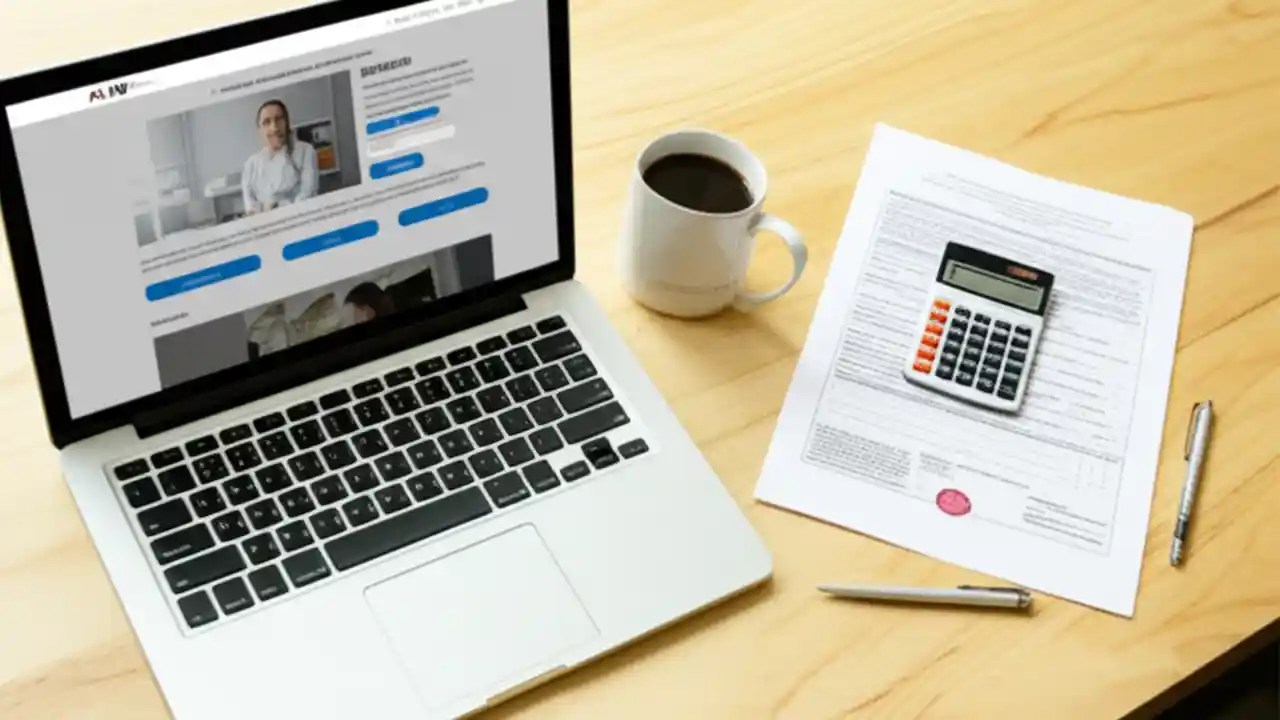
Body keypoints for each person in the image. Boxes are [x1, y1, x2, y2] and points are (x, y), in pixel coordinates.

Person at [242, 99, 319, 215]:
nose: (274, 128)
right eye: (266, 122)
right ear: (260, 130)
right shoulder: (250, 165)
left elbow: (308, 195)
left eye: (278, 119)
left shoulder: (306, 151)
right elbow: (250, 208)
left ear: (287, 123)